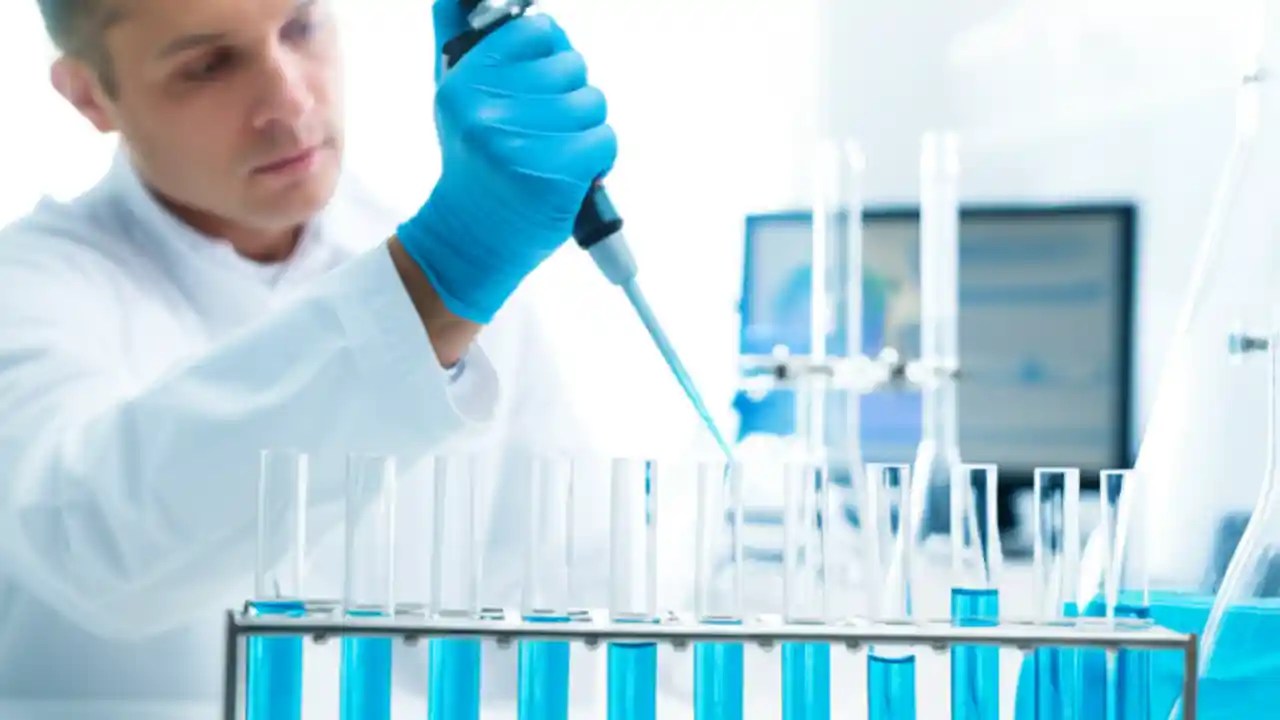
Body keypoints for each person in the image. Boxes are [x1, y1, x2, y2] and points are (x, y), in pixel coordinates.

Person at [0, 0, 616, 717]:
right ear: (90, 95)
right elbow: (95, 537)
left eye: (299, 28)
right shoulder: (31, 290)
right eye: (209, 65)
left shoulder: (467, 280)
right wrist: (440, 279)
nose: (287, 98)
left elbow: (571, 608)